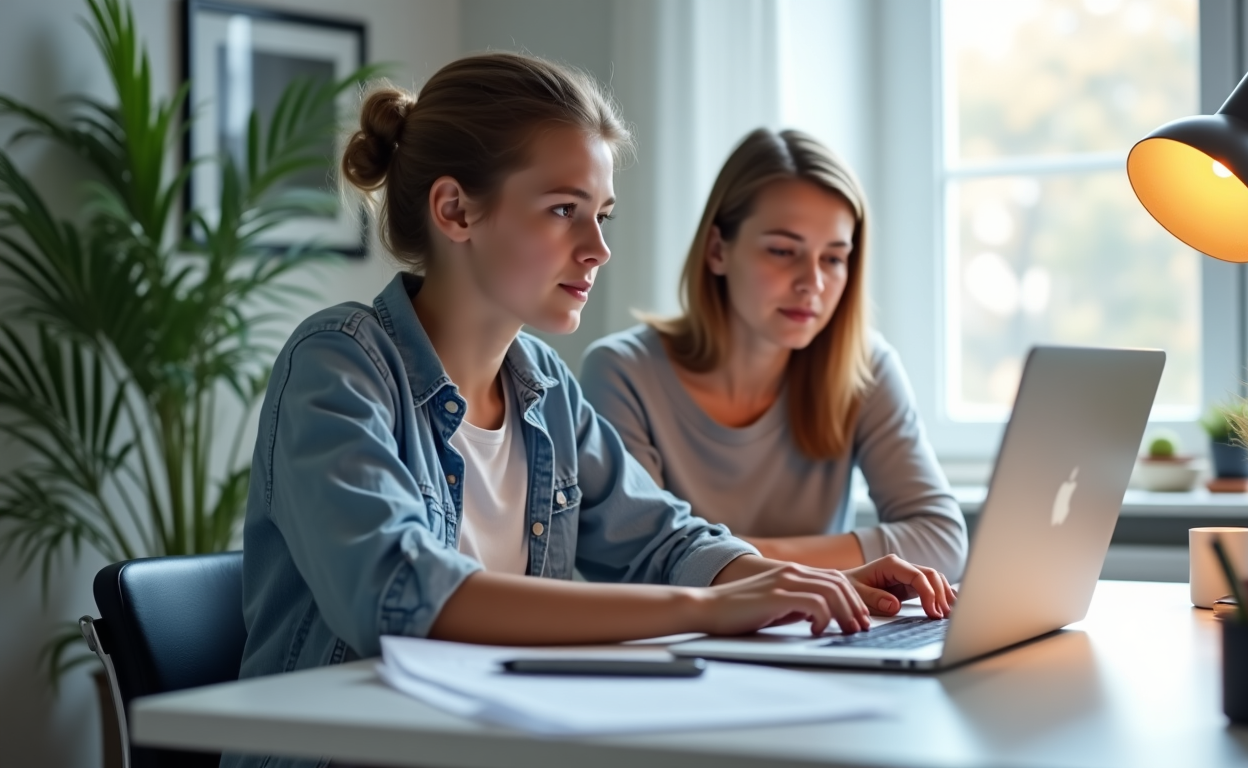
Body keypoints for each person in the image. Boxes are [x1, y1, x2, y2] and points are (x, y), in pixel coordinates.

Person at [228, 55, 957, 768]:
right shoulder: (340, 362)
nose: (598, 248)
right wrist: (705, 609)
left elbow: (664, 539)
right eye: (563, 211)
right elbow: (397, 594)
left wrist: (784, 583)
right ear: (455, 210)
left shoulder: (542, 383)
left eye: (601, 215)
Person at [580, 128, 967, 577]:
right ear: (717, 251)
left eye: (834, 258)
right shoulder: (622, 373)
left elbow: (942, 540)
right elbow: (642, 561)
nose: (813, 283)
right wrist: (742, 561)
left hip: (822, 635)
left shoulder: (865, 366)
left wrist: (725, 554)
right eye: (783, 251)